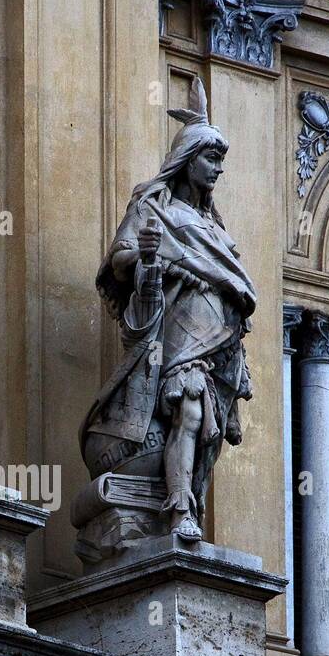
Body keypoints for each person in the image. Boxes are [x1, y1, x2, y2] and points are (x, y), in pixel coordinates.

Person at [84, 75, 256, 542]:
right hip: (177, 338)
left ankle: (187, 498)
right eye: (211, 158)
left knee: (209, 435)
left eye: (221, 160)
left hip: (220, 340)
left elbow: (238, 286)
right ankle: (179, 509)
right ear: (186, 160)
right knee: (191, 410)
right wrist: (145, 255)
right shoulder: (155, 210)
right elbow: (117, 262)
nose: (219, 169)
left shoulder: (214, 227)